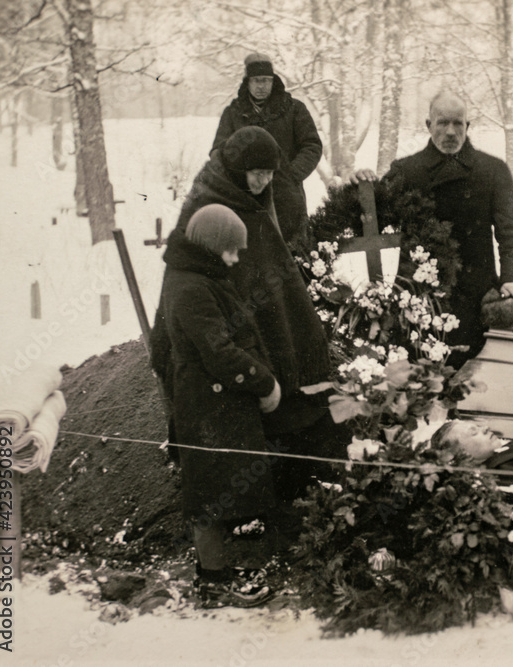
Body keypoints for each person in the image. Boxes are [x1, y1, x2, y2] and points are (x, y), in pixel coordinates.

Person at [151, 126, 344, 510]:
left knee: (292, 367)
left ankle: (294, 480)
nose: (263, 182)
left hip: (259, 296)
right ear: (238, 169)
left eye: (270, 174)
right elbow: (195, 264)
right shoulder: (208, 197)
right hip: (223, 307)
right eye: (256, 173)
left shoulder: (259, 192)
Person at [154, 203, 280, 608]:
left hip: (215, 399)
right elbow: (219, 352)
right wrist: (265, 384)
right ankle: (213, 579)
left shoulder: (196, 274)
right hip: (207, 403)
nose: (237, 257)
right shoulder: (191, 287)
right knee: (208, 491)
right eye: (232, 250)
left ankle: (220, 567)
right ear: (212, 245)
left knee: (219, 481)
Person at [353, 91, 513, 368]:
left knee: (469, 380)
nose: (450, 132)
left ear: (468, 126)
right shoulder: (407, 171)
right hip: (419, 300)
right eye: (442, 123)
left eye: (458, 123)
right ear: (428, 125)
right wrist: (359, 186)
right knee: (419, 381)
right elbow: (371, 220)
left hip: (474, 295)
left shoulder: (493, 171)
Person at [211, 53, 323, 245]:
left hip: (287, 197)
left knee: (293, 254)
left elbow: (311, 145)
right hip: (247, 197)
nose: (261, 86)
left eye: (266, 80)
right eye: (256, 81)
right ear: (247, 82)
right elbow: (219, 152)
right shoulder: (233, 114)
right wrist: (239, 177)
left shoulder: (294, 109)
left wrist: (291, 174)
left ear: (273, 81)